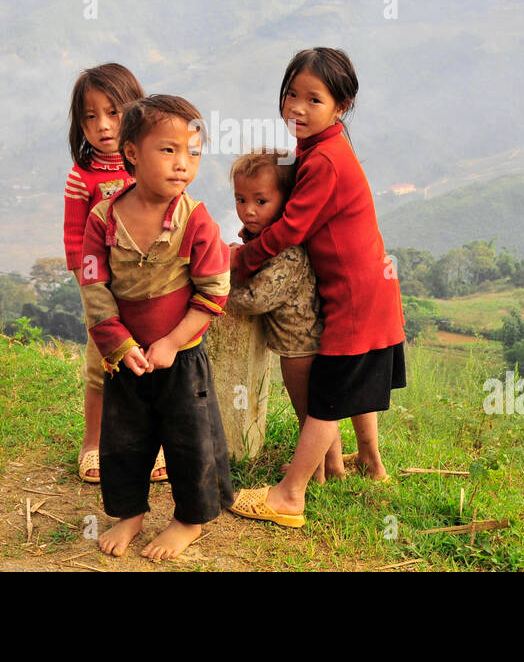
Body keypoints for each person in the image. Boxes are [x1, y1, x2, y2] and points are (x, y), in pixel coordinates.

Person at [228, 48, 406, 528]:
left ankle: (289, 495)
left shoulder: (323, 159)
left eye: (314, 99)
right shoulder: (321, 149)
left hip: (354, 298)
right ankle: (371, 465)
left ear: (341, 106)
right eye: (291, 96)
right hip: (371, 292)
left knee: (328, 398)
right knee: (355, 387)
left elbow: (289, 229)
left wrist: (236, 260)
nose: (298, 108)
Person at [78, 94, 234, 559]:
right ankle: (130, 514)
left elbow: (213, 293)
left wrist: (171, 342)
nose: (183, 164)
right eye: (168, 150)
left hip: (181, 359)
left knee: (190, 441)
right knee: (123, 440)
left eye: (193, 152)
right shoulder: (103, 219)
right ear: (131, 153)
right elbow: (94, 286)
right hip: (126, 359)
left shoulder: (196, 221)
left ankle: (188, 521)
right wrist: (118, 344)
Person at [62, 63, 167, 485]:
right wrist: (91, 292)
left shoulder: (146, 168)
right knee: (102, 364)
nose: (103, 126)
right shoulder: (82, 177)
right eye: (90, 117)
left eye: (113, 112)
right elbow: (74, 240)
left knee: (152, 363)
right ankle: (94, 444)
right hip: (103, 291)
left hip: (149, 289)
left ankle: (153, 445)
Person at [224, 149, 332, 480]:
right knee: (321, 409)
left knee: (309, 413)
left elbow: (257, 299)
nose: (248, 211)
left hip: (300, 346)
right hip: (301, 341)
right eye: (241, 200)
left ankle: (316, 471)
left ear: (285, 202)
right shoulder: (261, 239)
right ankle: (332, 467)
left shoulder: (286, 252)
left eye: (260, 201)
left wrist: (219, 291)